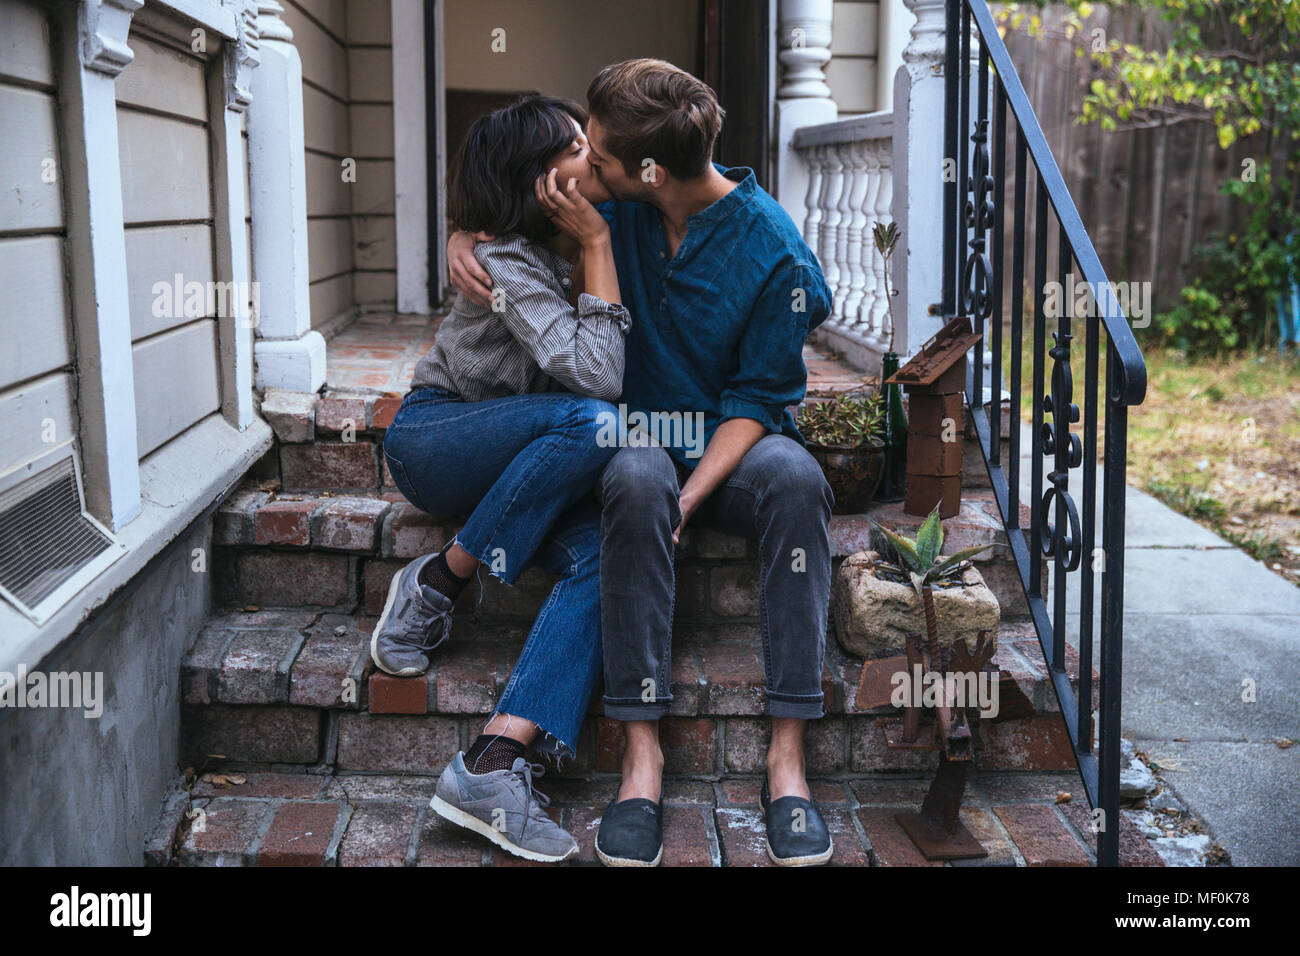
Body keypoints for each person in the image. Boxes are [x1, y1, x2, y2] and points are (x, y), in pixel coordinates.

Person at [448, 60, 837, 867]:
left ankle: (787, 759)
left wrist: (689, 501)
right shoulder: (608, 209)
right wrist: (462, 235)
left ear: (647, 171)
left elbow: (757, 404)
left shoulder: (778, 258)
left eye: (594, 154)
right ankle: (641, 758)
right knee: (630, 473)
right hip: (637, 443)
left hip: (731, 446)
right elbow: (505, 205)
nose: (580, 164)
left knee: (799, 480)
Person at [377, 94, 630, 863]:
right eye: (577, 145)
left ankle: (495, 760)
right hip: (436, 438)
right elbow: (599, 378)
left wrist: (591, 237)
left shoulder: (559, 238)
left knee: (609, 556)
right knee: (595, 422)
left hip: (522, 463)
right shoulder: (508, 260)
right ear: (540, 179)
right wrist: (597, 244)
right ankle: (443, 581)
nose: (595, 150)